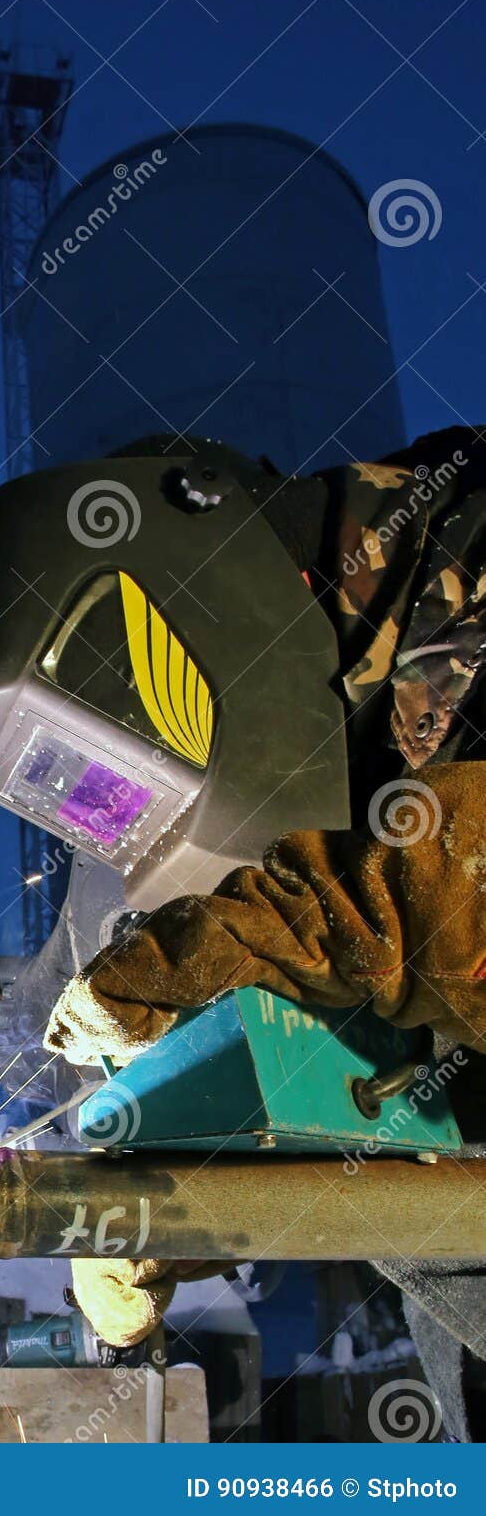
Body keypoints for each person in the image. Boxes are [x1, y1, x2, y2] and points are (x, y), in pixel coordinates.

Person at [41, 427, 486, 1440]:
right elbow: (426, 1097)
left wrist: (274, 927)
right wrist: (209, 1191)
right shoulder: (382, 753)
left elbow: (443, 895)